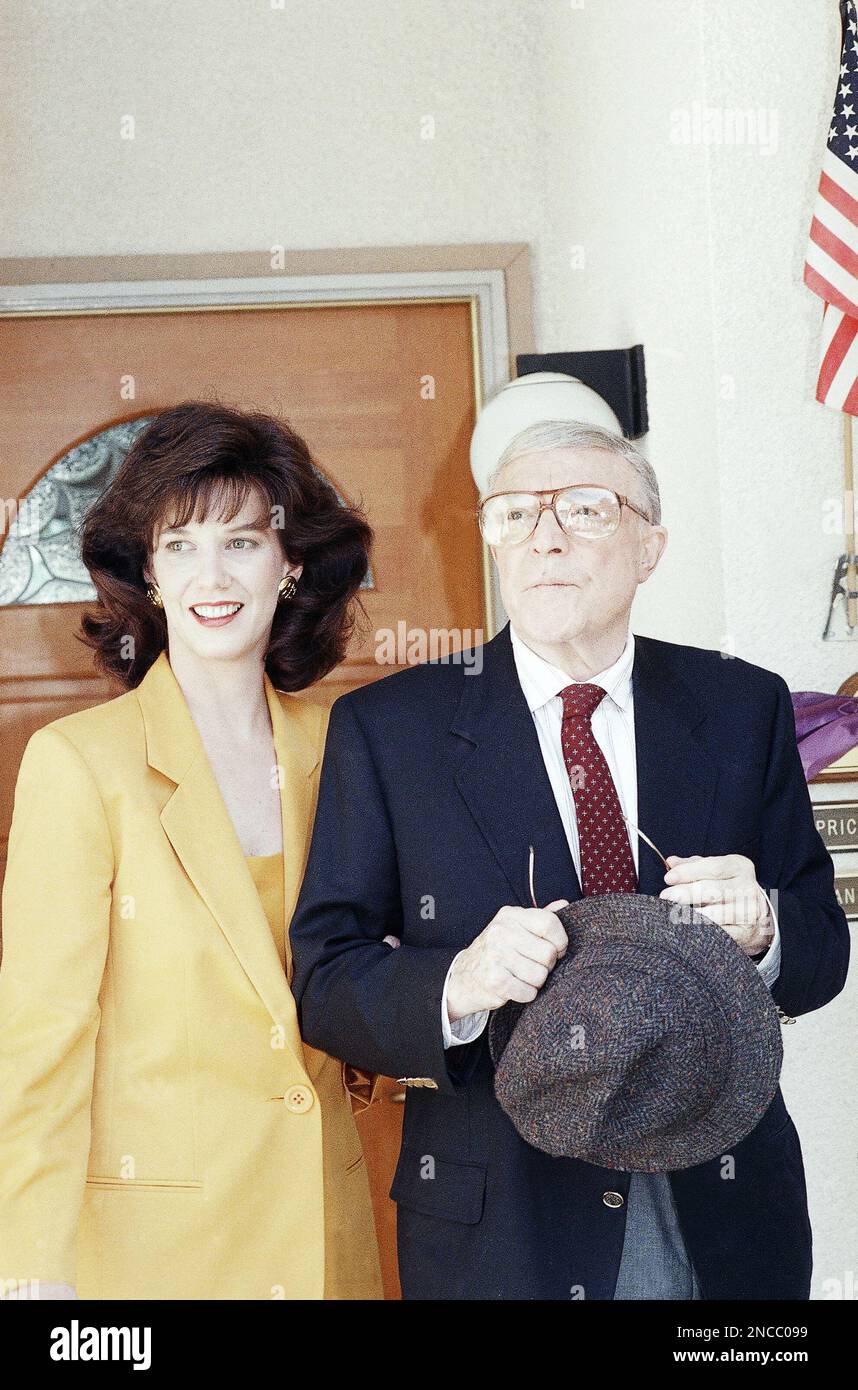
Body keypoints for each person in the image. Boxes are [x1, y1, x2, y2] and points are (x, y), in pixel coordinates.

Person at [289, 419, 850, 1301]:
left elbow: (821, 951)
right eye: (514, 514)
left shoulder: (741, 706)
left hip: (723, 1213)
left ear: (650, 547)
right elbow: (326, 979)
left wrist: (765, 929)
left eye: (586, 509)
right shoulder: (390, 730)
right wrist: (458, 984)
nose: (545, 536)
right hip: (506, 1226)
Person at [0, 400, 382, 1300]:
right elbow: (40, 1045)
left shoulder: (346, 745)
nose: (213, 575)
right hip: (155, 1257)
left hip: (326, 1234)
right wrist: (29, 1269)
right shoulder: (78, 763)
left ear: (290, 565)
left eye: (243, 543)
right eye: (180, 546)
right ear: (149, 574)